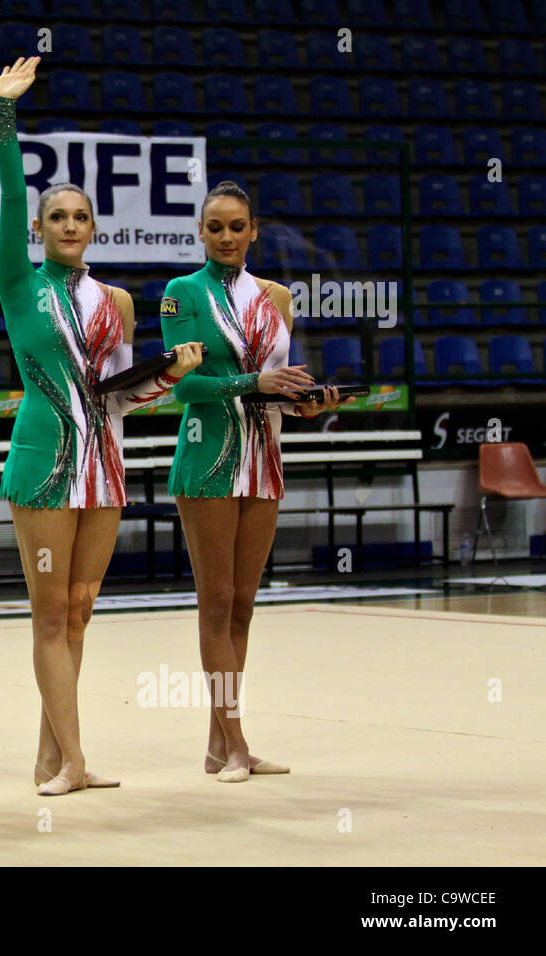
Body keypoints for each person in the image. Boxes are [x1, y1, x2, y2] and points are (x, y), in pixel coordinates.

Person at [0, 58, 204, 796]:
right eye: (58, 218)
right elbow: (13, 191)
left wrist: (169, 376)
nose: (70, 226)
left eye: (80, 217)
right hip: (44, 463)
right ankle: (73, 761)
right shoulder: (19, 284)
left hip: (103, 466)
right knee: (50, 613)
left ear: (93, 227)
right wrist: (5, 114)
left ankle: (54, 758)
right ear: (40, 229)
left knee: (80, 612)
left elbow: (118, 397)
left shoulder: (116, 300)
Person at [159, 179, 352, 783]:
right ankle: (234, 741)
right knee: (215, 603)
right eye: (215, 227)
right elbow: (180, 386)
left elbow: (278, 382)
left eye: (236, 227)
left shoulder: (275, 297)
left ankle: (224, 746)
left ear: (254, 231)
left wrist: (305, 403)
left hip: (263, 457)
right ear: (200, 232)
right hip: (208, 455)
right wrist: (251, 386)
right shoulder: (179, 294)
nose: (226, 237)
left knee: (243, 604)